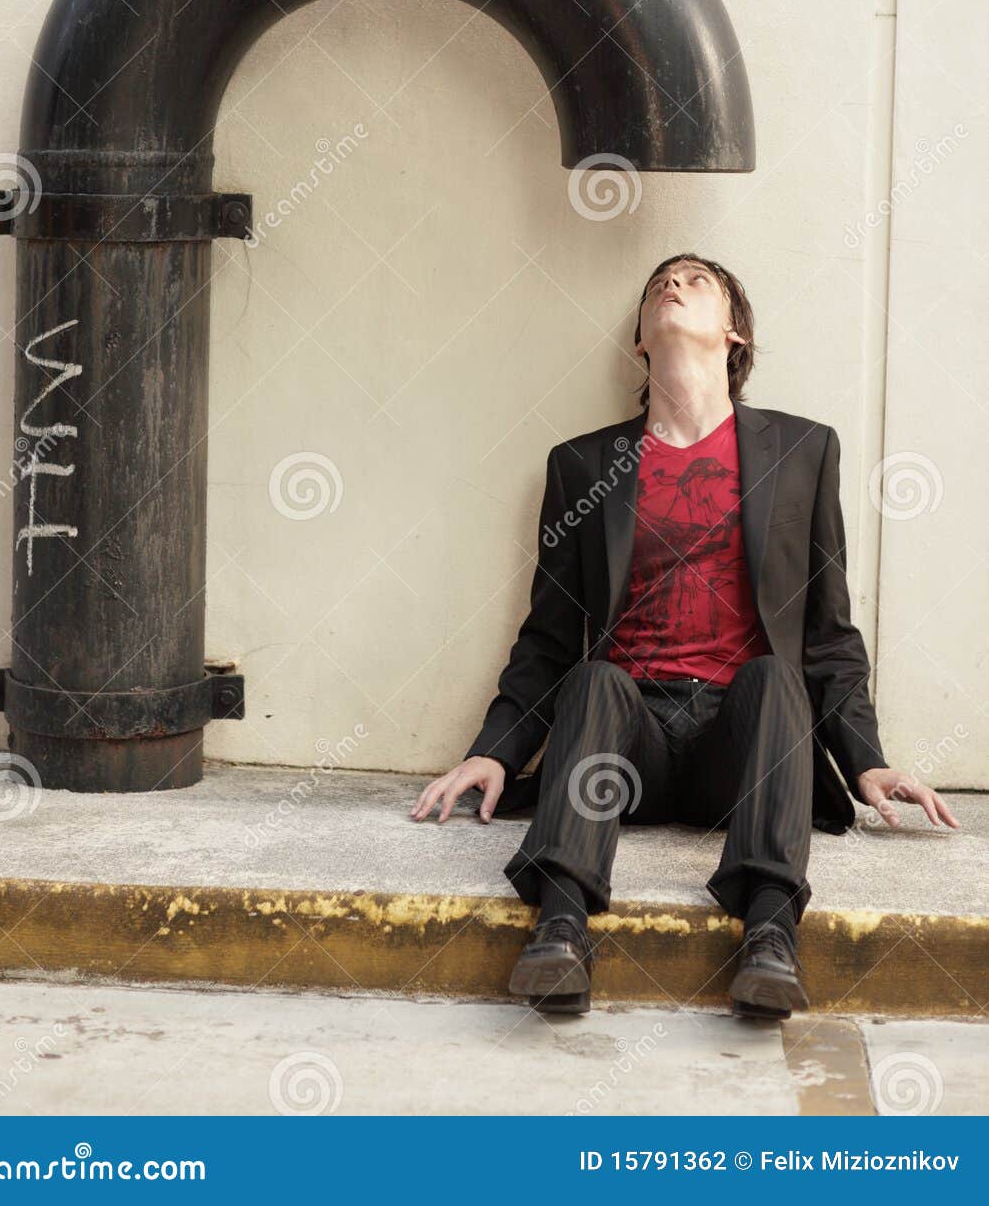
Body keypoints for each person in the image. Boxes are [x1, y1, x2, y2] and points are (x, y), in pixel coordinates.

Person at [411, 254, 959, 1018]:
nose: (672, 286)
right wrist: (492, 750)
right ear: (640, 338)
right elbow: (547, 636)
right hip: (622, 748)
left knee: (775, 675)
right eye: (657, 285)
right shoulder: (582, 465)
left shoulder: (802, 453)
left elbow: (828, 633)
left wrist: (866, 761)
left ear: (734, 332)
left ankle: (769, 936)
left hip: (741, 753)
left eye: (697, 281)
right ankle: (559, 931)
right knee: (595, 677)